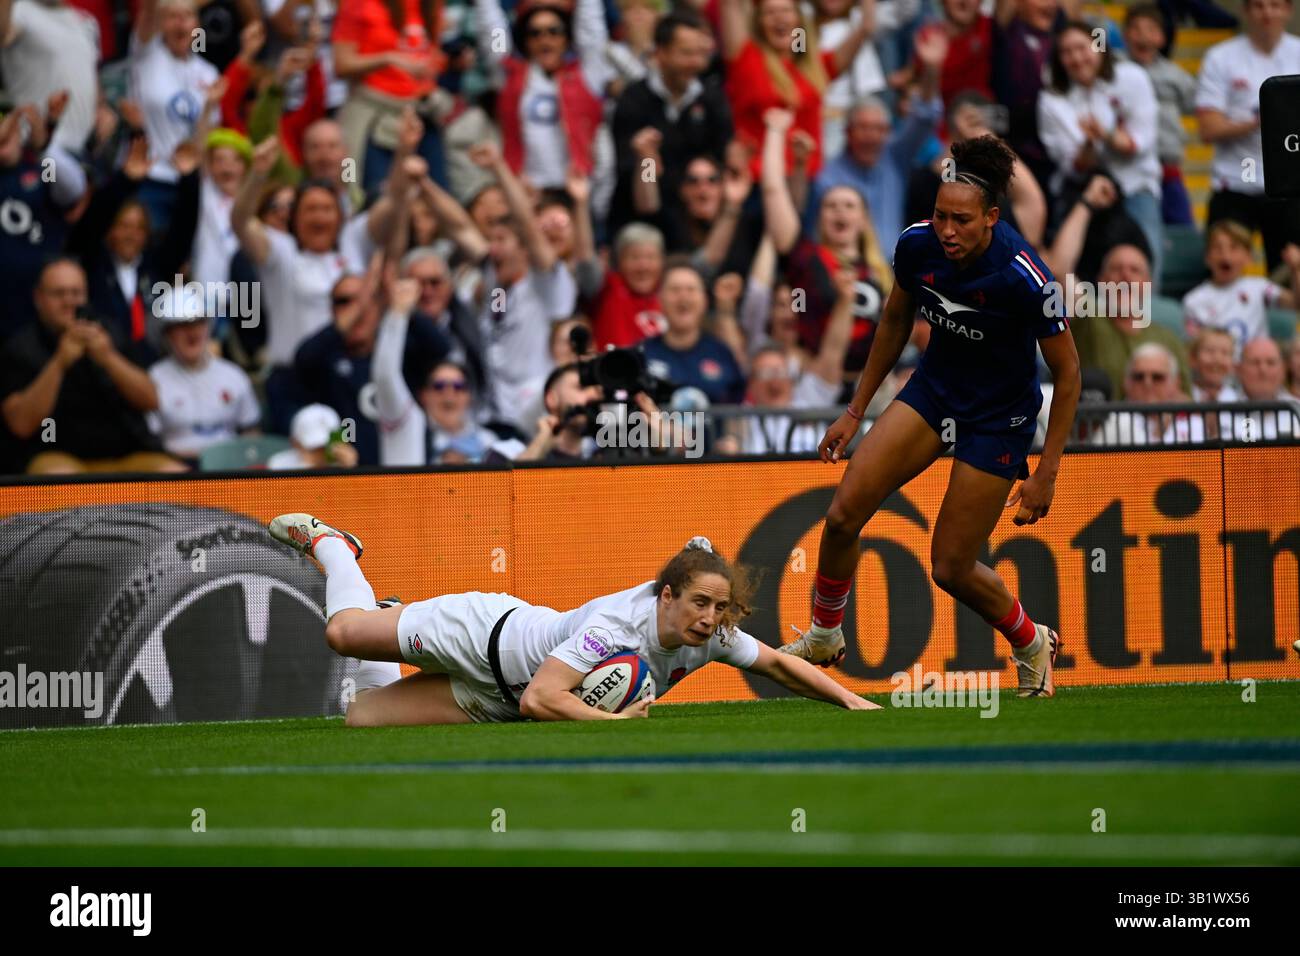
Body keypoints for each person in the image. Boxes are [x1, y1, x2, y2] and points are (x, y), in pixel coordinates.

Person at [781, 136, 1081, 700]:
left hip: (999, 419)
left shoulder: (1026, 277)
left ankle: (1031, 642)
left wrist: (1046, 473)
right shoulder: (915, 247)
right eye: (940, 215)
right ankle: (825, 635)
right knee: (844, 513)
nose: (947, 230)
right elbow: (895, 320)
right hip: (934, 393)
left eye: (961, 220)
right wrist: (854, 410)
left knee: (950, 566)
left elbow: (1069, 376)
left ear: (991, 218)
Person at [263, 519, 877, 725]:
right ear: (666, 595)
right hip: (481, 636)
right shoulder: (616, 626)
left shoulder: (709, 636)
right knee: (342, 633)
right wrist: (616, 724)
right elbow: (541, 698)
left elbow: (777, 663)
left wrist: (852, 703)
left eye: (720, 609)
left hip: (492, 700)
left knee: (359, 718)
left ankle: (390, 616)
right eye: (699, 604)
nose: (711, 619)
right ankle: (334, 546)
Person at [0, 259, 177, 475]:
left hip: (127, 455)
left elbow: (151, 400)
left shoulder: (113, 334)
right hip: (55, 456)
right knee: (60, 479)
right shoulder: (21, 348)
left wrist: (108, 358)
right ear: (39, 298)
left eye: (76, 293)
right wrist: (59, 363)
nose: (69, 302)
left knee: (174, 474)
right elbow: (20, 424)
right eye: (59, 293)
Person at [1037, 20, 1164, 289]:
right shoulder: (1053, 98)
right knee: (1076, 276)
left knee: (1145, 267)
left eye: (1082, 48)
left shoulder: (1131, 77)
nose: (1076, 57)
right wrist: (1090, 145)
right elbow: (1073, 165)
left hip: (1134, 185)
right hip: (1083, 192)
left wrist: (1104, 134)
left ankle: (1149, 325)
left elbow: (1139, 143)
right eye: (1066, 52)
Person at [719, 0, 881, 180]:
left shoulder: (814, 68)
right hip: (756, 181)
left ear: (799, 20)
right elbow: (730, 4)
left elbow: (866, 27)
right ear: (758, 23)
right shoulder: (746, 59)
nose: (779, 17)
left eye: (787, 11)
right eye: (770, 13)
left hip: (806, 182)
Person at [1196, 0, 1300, 273]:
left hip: (1291, 188)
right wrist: (1261, 122)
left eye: (1275, 5)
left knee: (1291, 276)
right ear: (1246, 11)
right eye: (1259, 6)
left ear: (1288, 10)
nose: (1267, 13)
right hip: (1234, 182)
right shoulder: (1220, 57)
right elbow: (1208, 128)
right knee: (1221, 274)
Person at [609, 8, 733, 233]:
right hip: (644, 222)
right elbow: (635, 184)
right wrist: (646, 160)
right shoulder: (634, 100)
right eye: (686, 53)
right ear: (660, 53)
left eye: (701, 54)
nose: (696, 63)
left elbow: (720, 161)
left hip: (699, 222)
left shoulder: (711, 98)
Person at [147, 287, 261, 464]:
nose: (192, 332)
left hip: (229, 468)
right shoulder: (153, 379)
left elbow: (251, 431)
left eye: (198, 323)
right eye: (182, 325)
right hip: (175, 471)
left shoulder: (234, 376)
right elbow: (149, 441)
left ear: (208, 326)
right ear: (168, 334)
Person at [1122, 3, 1197, 226]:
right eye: (1136, 29)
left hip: (1168, 168)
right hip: (1130, 171)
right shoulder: (1116, 71)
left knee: (1182, 229)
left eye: (1151, 30)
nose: (1143, 36)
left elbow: (1200, 105)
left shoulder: (1176, 76)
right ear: (1125, 36)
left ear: (1162, 38)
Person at [1182, 220, 1300, 359]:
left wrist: (1296, 269)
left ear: (1248, 256)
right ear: (1207, 257)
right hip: (1218, 371)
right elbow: (1193, 349)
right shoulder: (1194, 300)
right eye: (1217, 248)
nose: (1225, 255)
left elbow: (1296, 304)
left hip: (1256, 367)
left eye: (1234, 247)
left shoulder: (1259, 288)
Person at [266, 402, 360, 469]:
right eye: (315, 448)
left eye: (326, 447)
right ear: (295, 443)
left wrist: (350, 470)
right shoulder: (279, 465)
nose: (321, 453)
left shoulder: (342, 465)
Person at [1187, 327, 1240, 403]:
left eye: (1225, 353)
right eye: (1210, 351)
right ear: (1193, 358)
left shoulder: (1237, 400)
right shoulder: (1183, 398)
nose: (1217, 359)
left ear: (1233, 364)